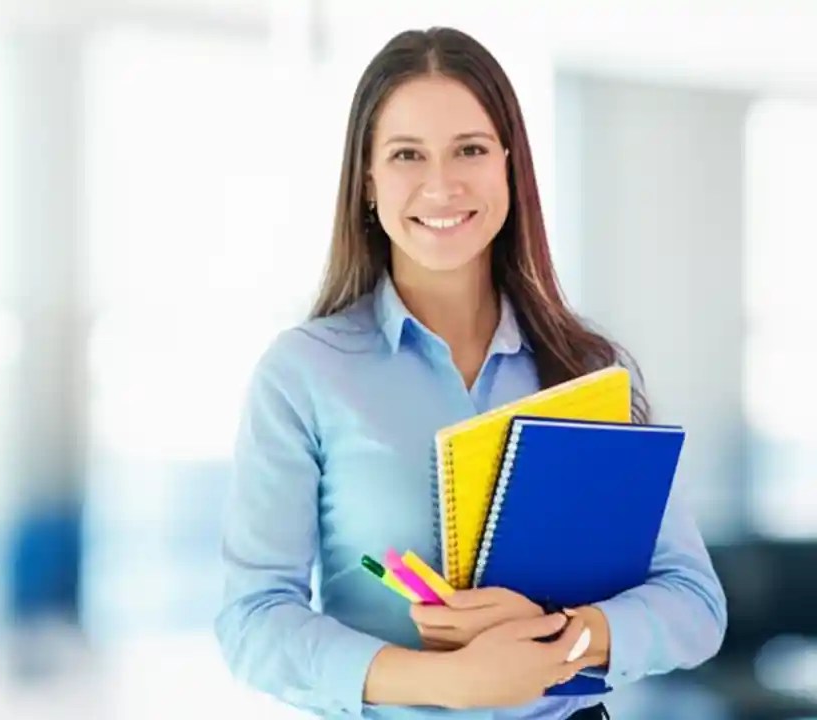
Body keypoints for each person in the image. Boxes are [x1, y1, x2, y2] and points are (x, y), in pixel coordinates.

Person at [213, 26, 726, 719]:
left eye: (471, 150)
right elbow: (253, 620)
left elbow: (694, 603)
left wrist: (561, 637)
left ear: (509, 165)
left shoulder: (585, 372)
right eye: (405, 155)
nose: (441, 184)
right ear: (367, 181)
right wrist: (441, 681)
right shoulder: (303, 374)